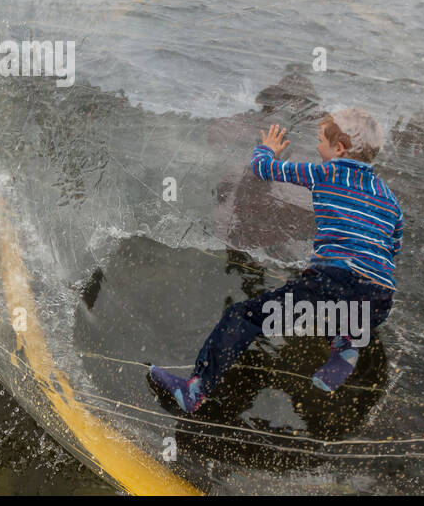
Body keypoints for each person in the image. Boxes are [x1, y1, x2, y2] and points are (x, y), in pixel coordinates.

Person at [149, 108, 403, 410]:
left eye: (320, 141)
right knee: (347, 308)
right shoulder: (390, 198)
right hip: (380, 292)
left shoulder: (323, 173)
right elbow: (392, 247)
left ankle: (195, 390)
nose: (317, 147)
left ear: (339, 149)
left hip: (333, 280)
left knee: (244, 316)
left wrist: (267, 149)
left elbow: (265, 169)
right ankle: (347, 343)